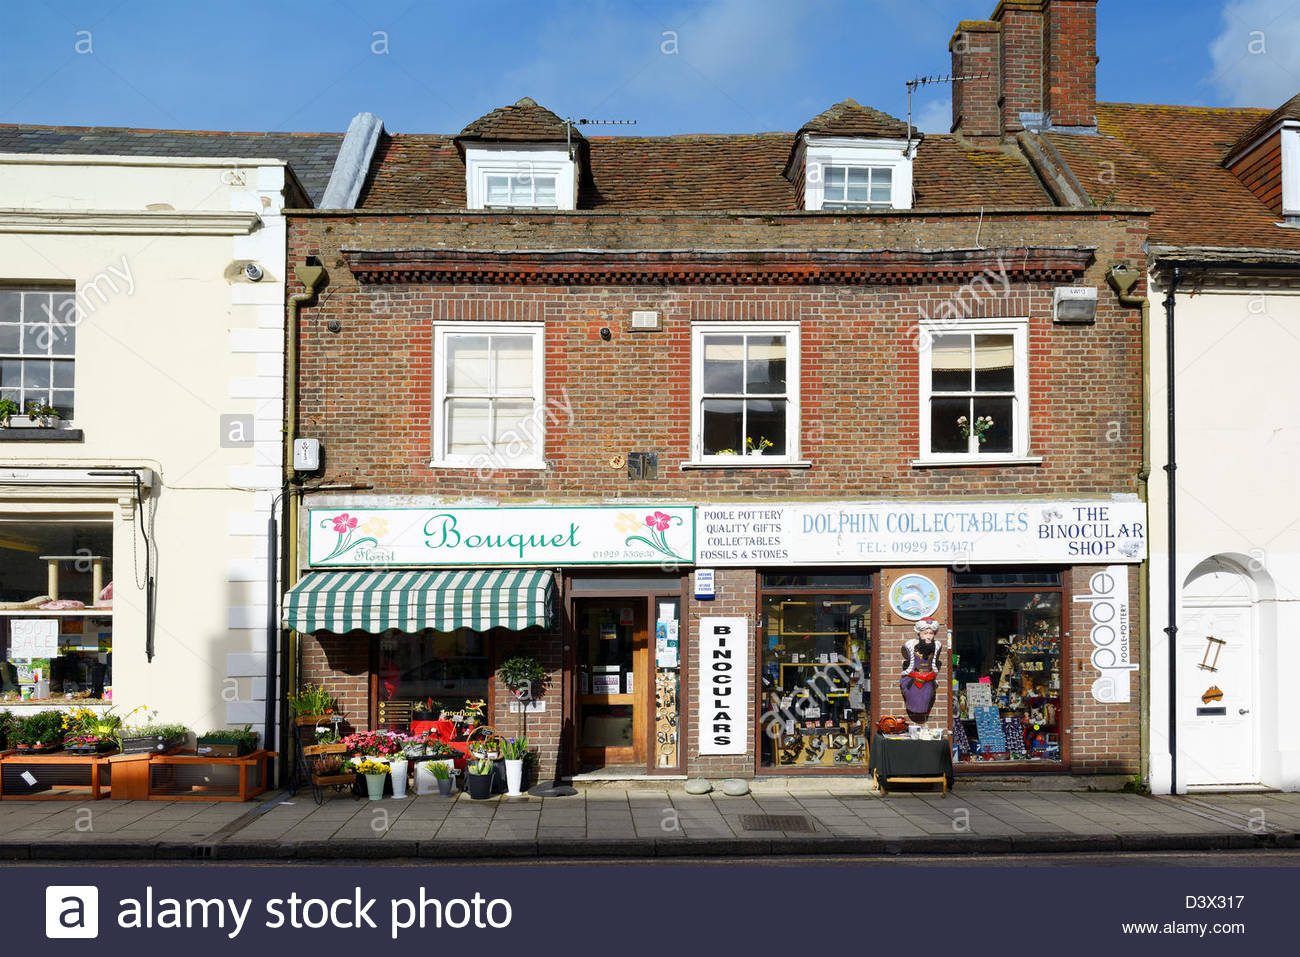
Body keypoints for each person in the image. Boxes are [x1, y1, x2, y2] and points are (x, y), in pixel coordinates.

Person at [899, 618, 944, 722]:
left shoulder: (937, 646)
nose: (928, 636)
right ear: (919, 633)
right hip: (914, 681)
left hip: (928, 682)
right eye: (925, 633)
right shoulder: (908, 646)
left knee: (925, 701)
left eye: (931, 633)